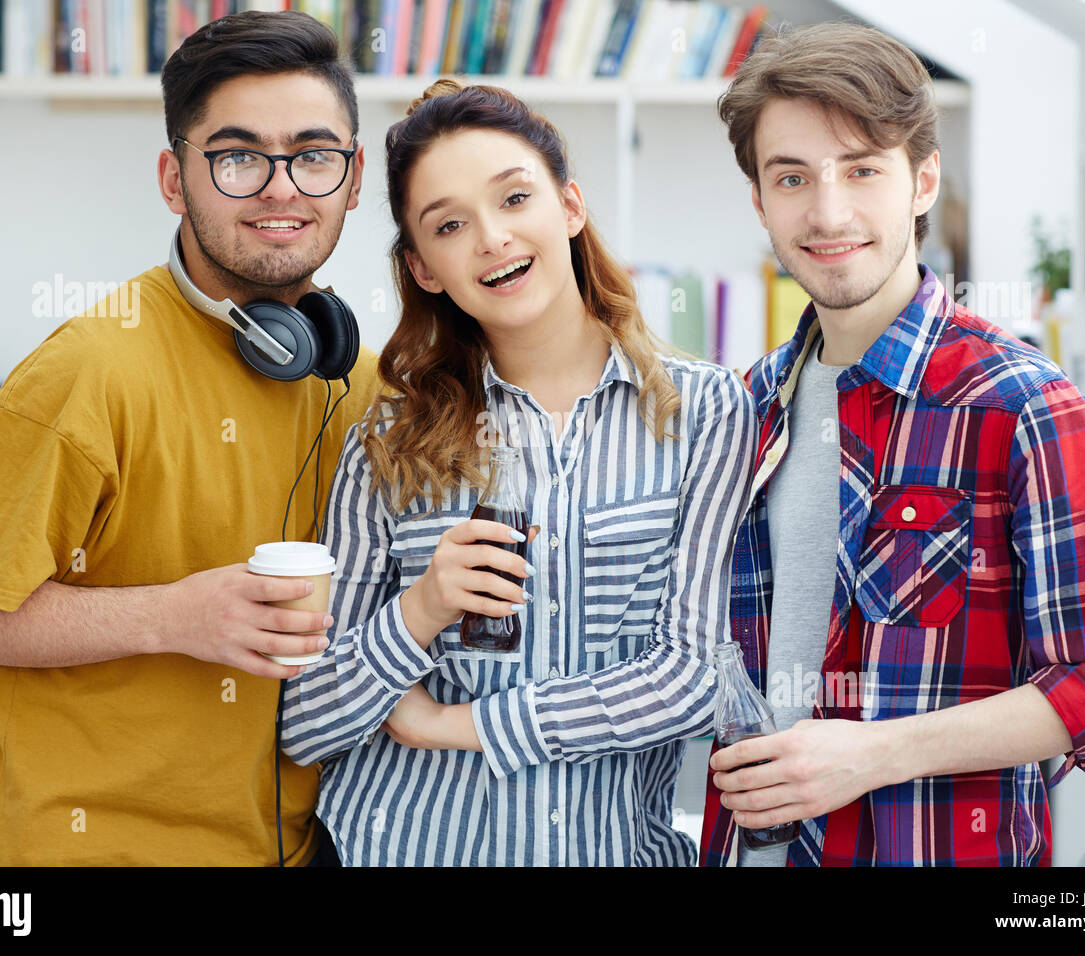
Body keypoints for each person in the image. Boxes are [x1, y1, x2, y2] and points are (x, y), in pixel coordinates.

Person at [0, 11, 378, 865]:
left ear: (352, 181)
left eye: (313, 156)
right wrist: (171, 614)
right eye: (238, 158)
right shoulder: (87, 370)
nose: (282, 188)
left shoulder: (362, 382)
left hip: (291, 847)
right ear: (174, 178)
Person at [702, 22, 1085, 866]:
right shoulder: (746, 407)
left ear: (922, 181)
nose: (828, 211)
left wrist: (869, 755)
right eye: (793, 176)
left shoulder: (1023, 403)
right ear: (759, 200)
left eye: (862, 170)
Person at [279, 79, 754, 866]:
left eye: (514, 199)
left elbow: (692, 679)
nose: (492, 239)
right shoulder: (388, 442)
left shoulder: (705, 413)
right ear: (424, 268)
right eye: (450, 225)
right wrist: (421, 610)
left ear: (568, 207)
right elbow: (307, 721)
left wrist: (453, 726)